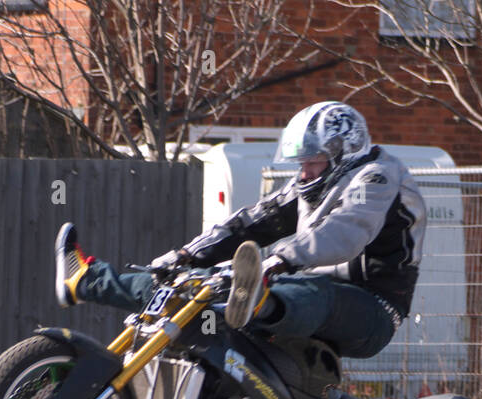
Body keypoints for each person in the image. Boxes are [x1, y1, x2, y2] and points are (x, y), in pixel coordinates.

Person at [54, 101, 427, 360]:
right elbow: (251, 221)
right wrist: (184, 256)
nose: (303, 173)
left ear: (342, 154)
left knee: (312, 291)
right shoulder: (308, 185)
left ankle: (258, 301)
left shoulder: (378, 176)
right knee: (192, 284)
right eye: (301, 164)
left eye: (311, 163)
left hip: (373, 311)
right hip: (300, 298)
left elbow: (346, 233)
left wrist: (277, 262)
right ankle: (87, 280)